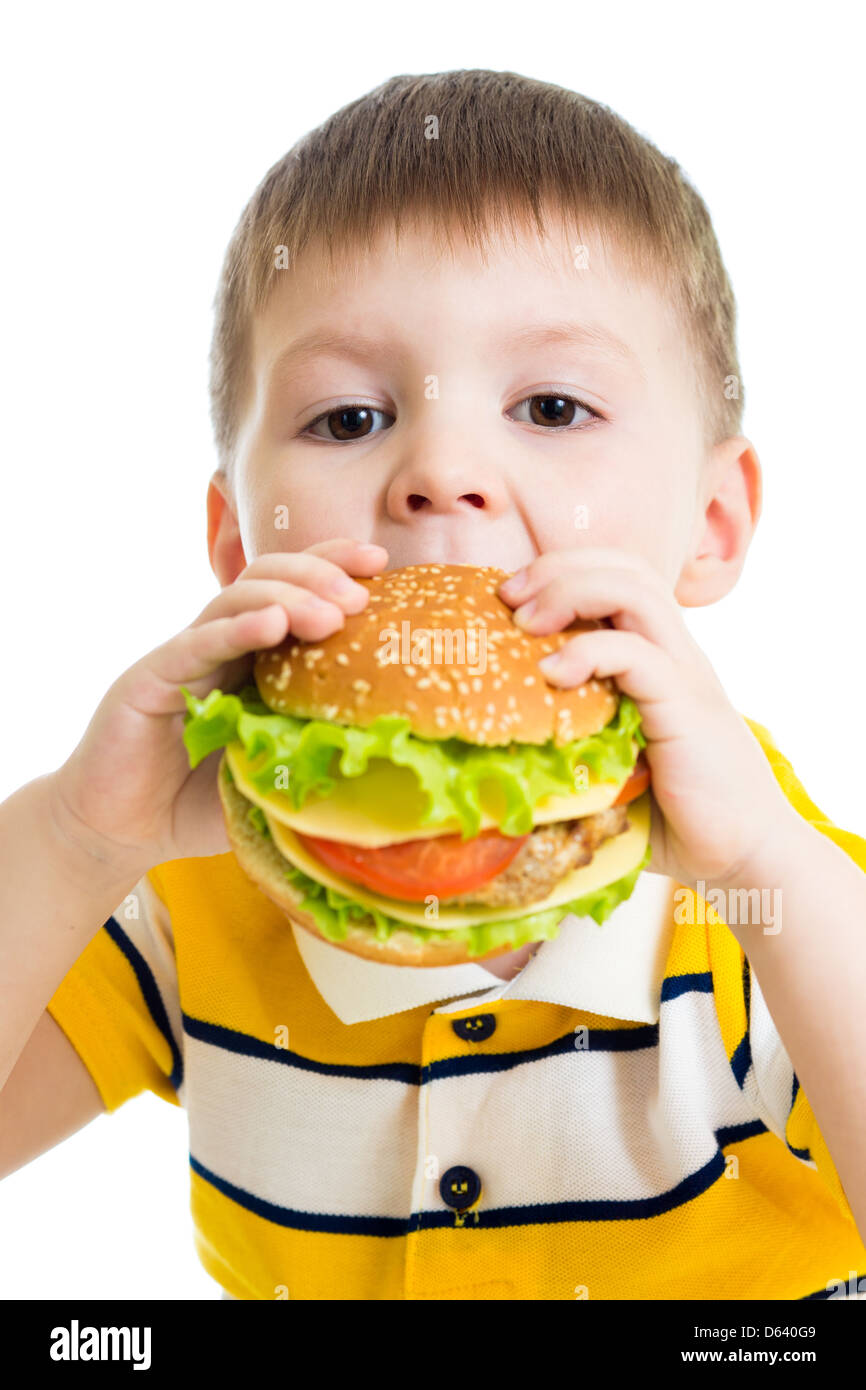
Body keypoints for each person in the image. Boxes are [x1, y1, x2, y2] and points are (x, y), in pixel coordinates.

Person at [1, 69, 864, 1301]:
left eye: (551, 405)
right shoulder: (191, 888)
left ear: (713, 522)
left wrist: (763, 869)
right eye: (349, 418)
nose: (440, 470)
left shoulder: (770, 887)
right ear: (241, 541)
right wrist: (75, 836)